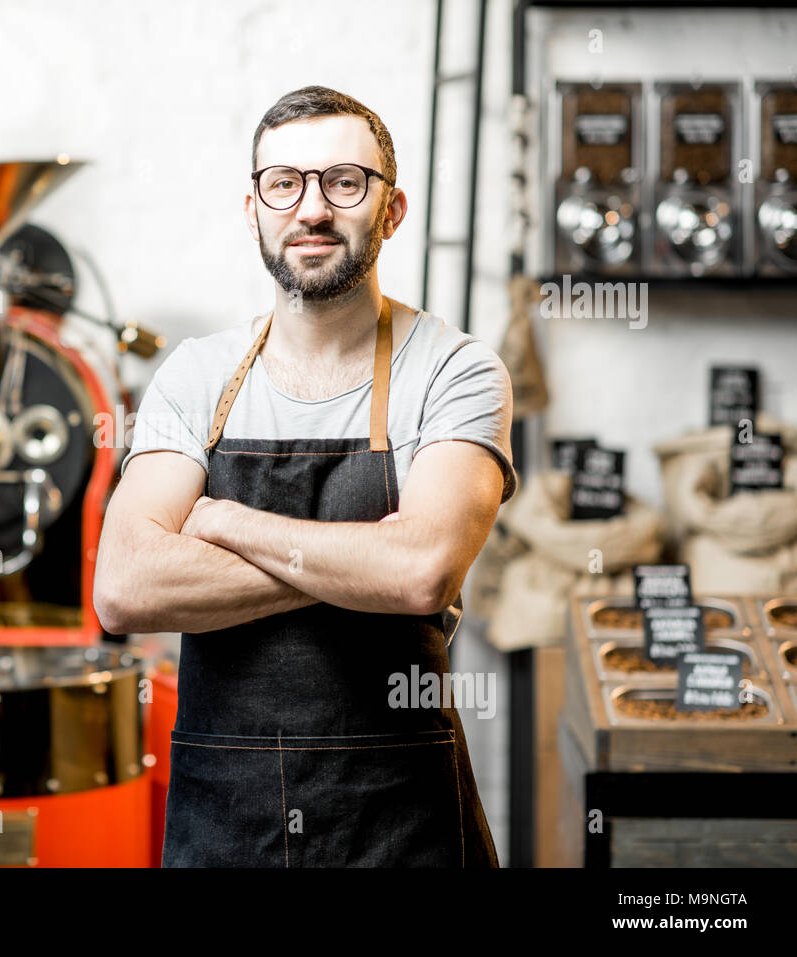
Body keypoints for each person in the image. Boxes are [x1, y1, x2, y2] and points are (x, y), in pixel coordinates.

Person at [93, 86, 518, 867]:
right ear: (253, 208)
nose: (312, 209)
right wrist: (368, 562)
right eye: (283, 183)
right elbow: (123, 588)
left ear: (390, 211)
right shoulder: (196, 375)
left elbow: (422, 573)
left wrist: (226, 522)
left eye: (344, 182)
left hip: (401, 822)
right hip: (225, 819)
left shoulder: (455, 371)